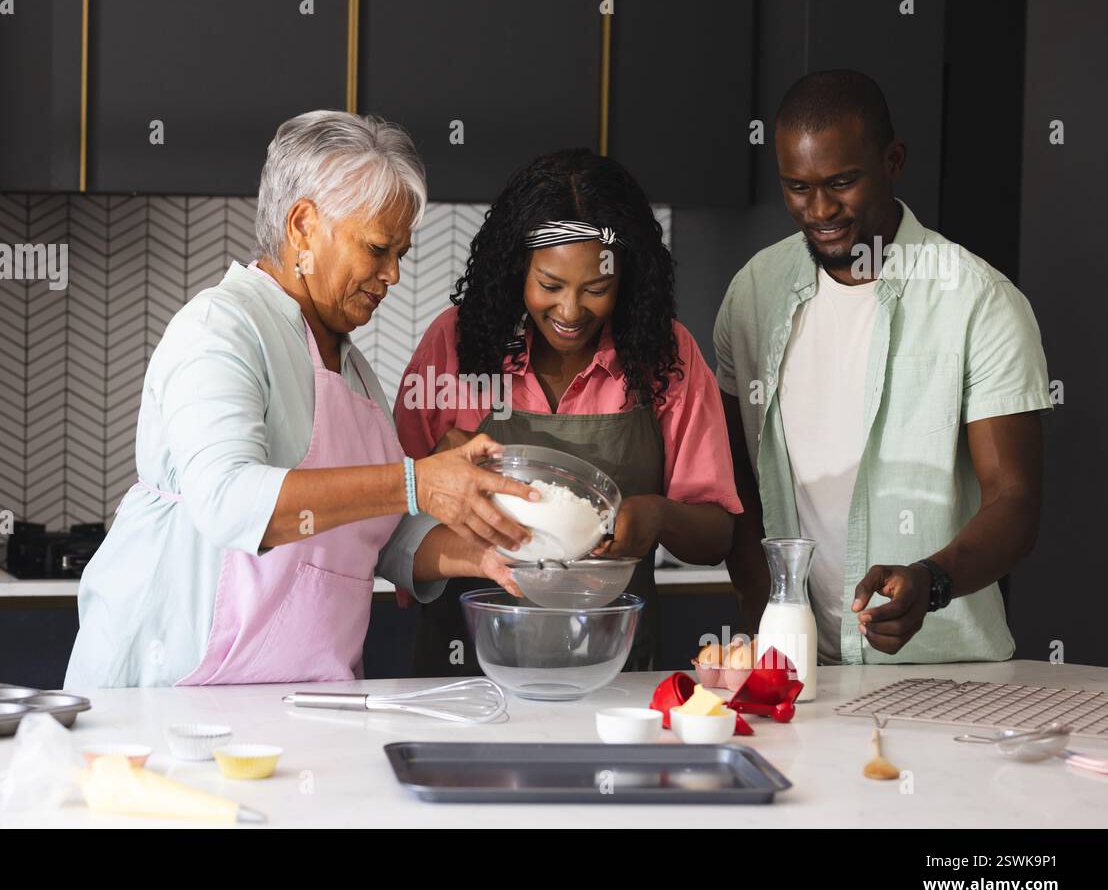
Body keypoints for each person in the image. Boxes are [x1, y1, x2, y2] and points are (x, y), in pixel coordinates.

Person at [65, 110, 537, 688]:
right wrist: (418, 480)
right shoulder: (222, 328)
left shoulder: (353, 370)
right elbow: (229, 500)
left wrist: (485, 552)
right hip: (174, 696)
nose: (392, 275)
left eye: (401, 255)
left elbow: (379, 536)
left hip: (303, 702)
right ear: (304, 225)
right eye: (377, 248)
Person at [715, 70, 1049, 665]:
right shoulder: (753, 295)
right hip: (800, 670)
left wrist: (933, 579)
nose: (819, 210)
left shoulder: (978, 300)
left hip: (946, 675)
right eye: (798, 187)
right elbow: (737, 479)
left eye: (842, 183)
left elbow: (1015, 500)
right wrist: (758, 605)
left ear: (893, 160)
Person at [396, 149, 742, 675]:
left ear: (627, 276)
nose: (571, 311)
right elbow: (392, 519)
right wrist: (438, 488)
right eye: (550, 286)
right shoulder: (456, 345)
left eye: (596, 289)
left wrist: (660, 515)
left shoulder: (666, 356)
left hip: (610, 671)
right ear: (518, 267)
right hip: (466, 669)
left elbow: (717, 534)